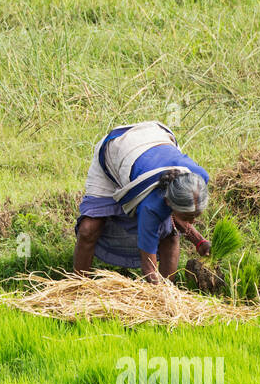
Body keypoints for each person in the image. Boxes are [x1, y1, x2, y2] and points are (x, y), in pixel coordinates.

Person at [74, 120, 211, 283]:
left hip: (157, 140)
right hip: (115, 151)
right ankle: (79, 288)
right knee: (89, 228)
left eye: (195, 215)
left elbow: (183, 210)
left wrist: (199, 241)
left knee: (170, 235)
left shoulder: (198, 179)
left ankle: (169, 289)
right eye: (188, 216)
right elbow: (148, 267)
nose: (194, 221)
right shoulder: (151, 206)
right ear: (168, 202)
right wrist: (155, 293)